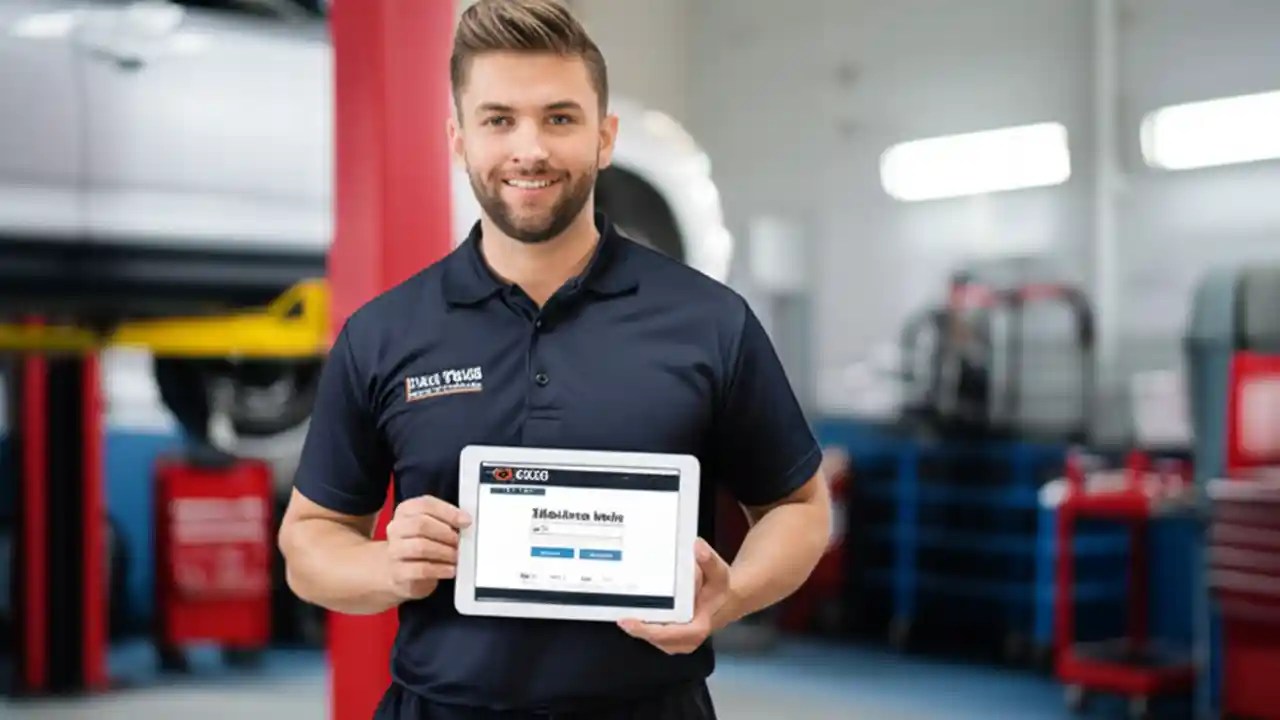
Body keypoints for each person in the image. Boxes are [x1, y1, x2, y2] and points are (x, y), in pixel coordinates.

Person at [277, 1, 832, 717]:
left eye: (560, 118)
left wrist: (733, 595)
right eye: (498, 119)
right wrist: (383, 564)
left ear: (606, 138)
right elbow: (310, 542)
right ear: (459, 139)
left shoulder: (707, 322)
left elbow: (799, 506)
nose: (529, 149)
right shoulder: (385, 333)